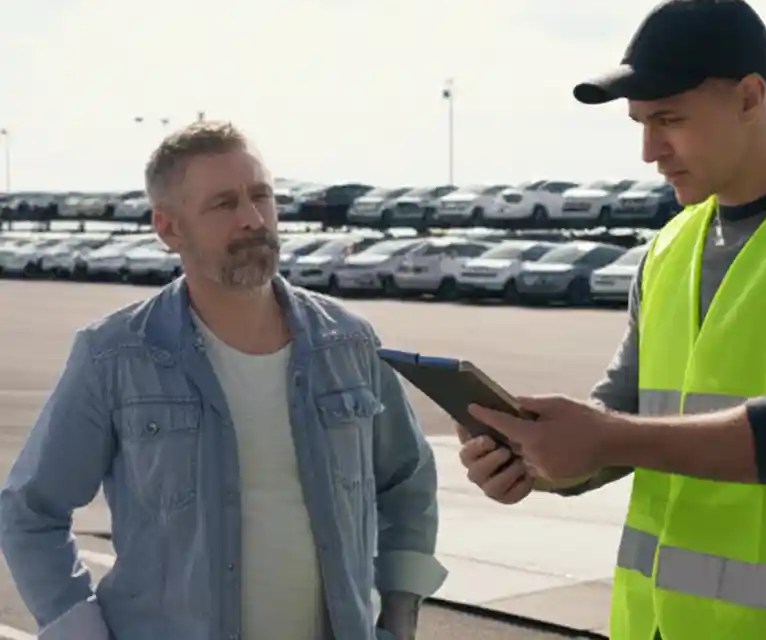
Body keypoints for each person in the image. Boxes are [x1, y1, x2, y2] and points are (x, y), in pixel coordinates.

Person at [456, 0, 766, 640]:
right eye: (641, 124)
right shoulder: (671, 245)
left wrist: (601, 437)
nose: (649, 150)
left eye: (669, 119)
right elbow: (621, 418)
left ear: (750, 98)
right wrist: (535, 460)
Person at [0, 121, 446, 640]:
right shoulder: (115, 356)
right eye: (224, 204)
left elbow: (408, 482)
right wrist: (80, 632)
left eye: (262, 196)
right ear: (169, 229)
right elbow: (30, 511)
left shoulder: (347, 343)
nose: (253, 219)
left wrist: (399, 619)